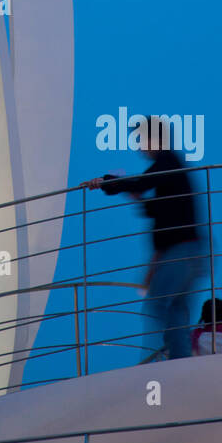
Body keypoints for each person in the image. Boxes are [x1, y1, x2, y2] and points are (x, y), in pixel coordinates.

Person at [82, 115, 206, 361]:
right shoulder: (171, 165)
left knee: (160, 304)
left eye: (141, 139)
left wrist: (108, 182)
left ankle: (171, 362)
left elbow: (143, 182)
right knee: (175, 308)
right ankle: (178, 361)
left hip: (181, 251)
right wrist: (129, 190)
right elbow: (154, 207)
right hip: (190, 250)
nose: (139, 146)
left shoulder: (167, 161)